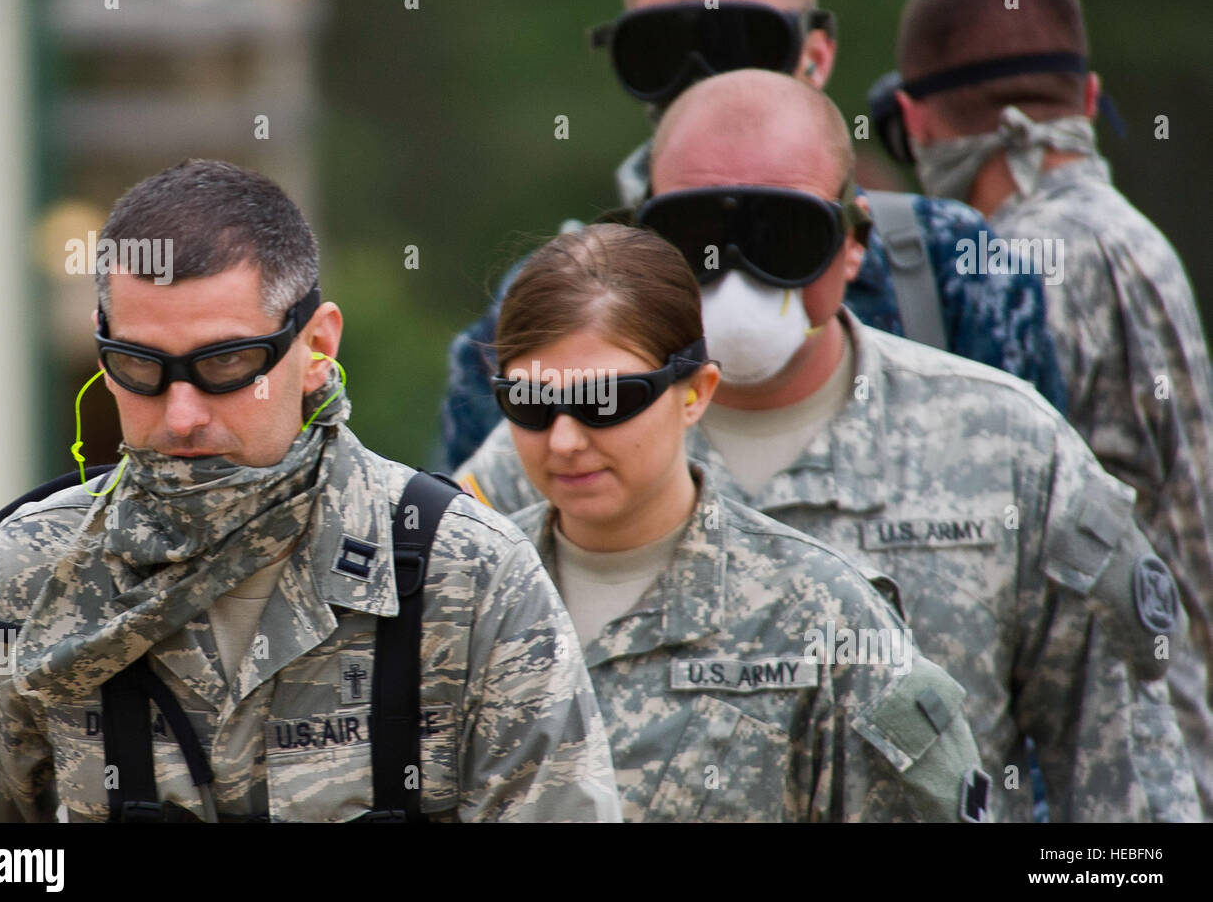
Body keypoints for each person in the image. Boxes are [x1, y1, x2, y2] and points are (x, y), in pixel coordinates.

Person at [456, 71, 1202, 822]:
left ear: (852, 246)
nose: (734, 274)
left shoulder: (1009, 444)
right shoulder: (538, 453)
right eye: (695, 238)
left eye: (782, 235)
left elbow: (1125, 786)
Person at [0, 159, 621, 824]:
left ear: (318, 347)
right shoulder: (31, 574)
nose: (182, 413)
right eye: (137, 365)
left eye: (226, 362)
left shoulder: (468, 579)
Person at [439, 0, 1066, 469]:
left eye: (741, 41)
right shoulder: (548, 302)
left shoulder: (948, 267)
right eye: (661, 50)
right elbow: (482, 558)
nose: (705, 81)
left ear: (815, 55)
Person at [489, 221, 986, 821]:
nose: (564, 440)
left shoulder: (824, 615)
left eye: (604, 401)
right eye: (531, 404)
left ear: (695, 392)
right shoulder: (464, 592)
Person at [894, 0, 1213, 819]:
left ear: (915, 120)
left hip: (1102, 758)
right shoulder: (1135, 238)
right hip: (1174, 732)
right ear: (1090, 95)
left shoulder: (1017, 270)